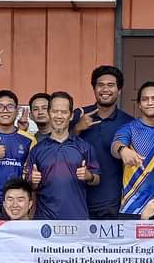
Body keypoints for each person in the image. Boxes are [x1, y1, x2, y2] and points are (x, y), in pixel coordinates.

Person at [0, 177, 154, 263]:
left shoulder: (43, 231)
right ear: (4, 203)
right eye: (10, 200)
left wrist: (142, 221)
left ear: (30, 204)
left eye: (20, 200)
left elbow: (102, 249)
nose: (15, 205)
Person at [25, 91, 100, 220]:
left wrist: (89, 176)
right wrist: (33, 181)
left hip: (77, 218)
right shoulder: (37, 149)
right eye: (55, 111)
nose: (59, 116)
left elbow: (97, 179)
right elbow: (30, 186)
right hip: (45, 220)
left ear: (71, 116)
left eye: (64, 112)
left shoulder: (85, 147)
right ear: (49, 113)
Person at [73, 66, 134, 219]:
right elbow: (59, 147)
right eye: (100, 85)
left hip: (113, 203)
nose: (105, 89)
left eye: (111, 85)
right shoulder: (79, 115)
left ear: (119, 90)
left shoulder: (129, 123)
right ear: (94, 88)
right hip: (77, 199)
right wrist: (77, 128)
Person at [113, 81, 154, 217]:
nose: (150, 102)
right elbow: (115, 146)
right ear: (139, 104)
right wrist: (123, 150)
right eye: (145, 99)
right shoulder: (128, 128)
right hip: (131, 208)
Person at [0, 89, 37, 218]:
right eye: (0, 106)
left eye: (10, 106)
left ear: (16, 110)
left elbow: (31, 177)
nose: (5, 110)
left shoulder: (29, 140)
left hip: (17, 205)